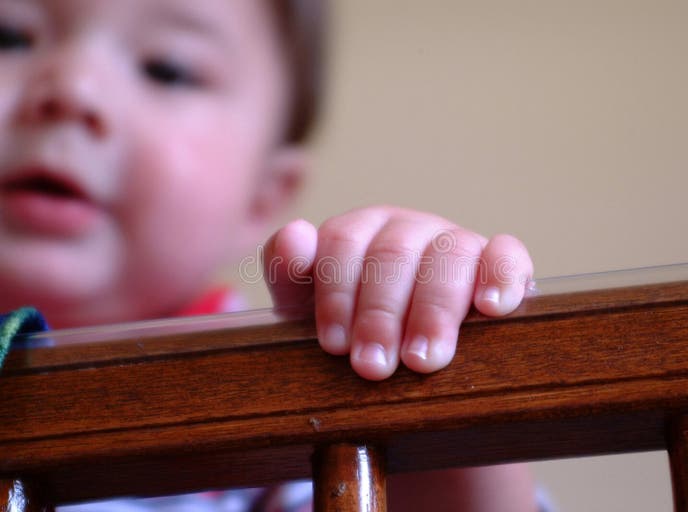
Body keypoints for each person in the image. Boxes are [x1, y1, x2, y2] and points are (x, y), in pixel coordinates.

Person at [0, 0, 539, 510]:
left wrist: (421, 370)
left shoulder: (282, 399)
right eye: (10, 36)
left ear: (262, 197)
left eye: (167, 68)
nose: (73, 89)